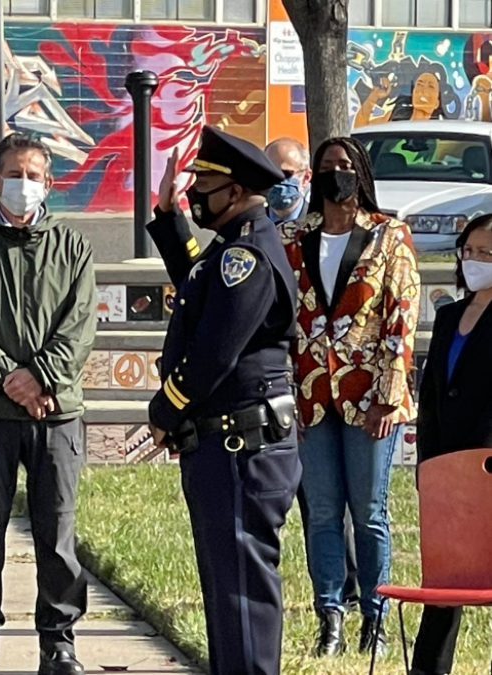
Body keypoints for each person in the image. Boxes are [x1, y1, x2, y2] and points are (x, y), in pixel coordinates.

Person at [146, 126, 300, 675]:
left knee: (241, 604)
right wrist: (169, 221)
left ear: (233, 193)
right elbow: (197, 283)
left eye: (204, 186)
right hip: (231, 448)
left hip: (243, 447)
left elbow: (215, 348)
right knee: (227, 597)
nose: (196, 196)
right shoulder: (233, 250)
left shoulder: (247, 256)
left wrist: (165, 409)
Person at [0, 132, 96, 675]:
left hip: (58, 412)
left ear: (49, 184)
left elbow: (79, 328)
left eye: (34, 175)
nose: (24, 184)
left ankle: (59, 640)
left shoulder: (73, 247)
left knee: (58, 530)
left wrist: (42, 379)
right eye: (15, 174)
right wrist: (12, 379)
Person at [281, 137, 420, 657]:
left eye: (344, 166)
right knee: (320, 511)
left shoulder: (389, 235)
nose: (335, 174)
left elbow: (400, 319)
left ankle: (375, 620)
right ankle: (330, 619)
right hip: (312, 395)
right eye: (325, 168)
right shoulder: (295, 236)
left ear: (360, 173)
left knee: (369, 510)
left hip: (371, 400)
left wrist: (389, 394)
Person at [264, 137, 361, 612]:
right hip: (278, 388)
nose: (282, 184)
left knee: (332, 502)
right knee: (307, 505)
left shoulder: (321, 230)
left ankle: (348, 591)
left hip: (329, 388)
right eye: (272, 173)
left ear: (306, 176)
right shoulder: (258, 233)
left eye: (290, 173)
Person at [410, 215, 492, 675]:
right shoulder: (447, 317)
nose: (475, 260)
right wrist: (430, 466)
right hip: (444, 473)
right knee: (443, 585)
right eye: (469, 251)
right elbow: (434, 396)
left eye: (487, 253)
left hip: (486, 469)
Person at [263, 137, 311, 225]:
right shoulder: (248, 226)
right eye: (269, 172)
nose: (276, 178)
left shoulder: (323, 226)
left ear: (305, 178)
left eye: (285, 173)